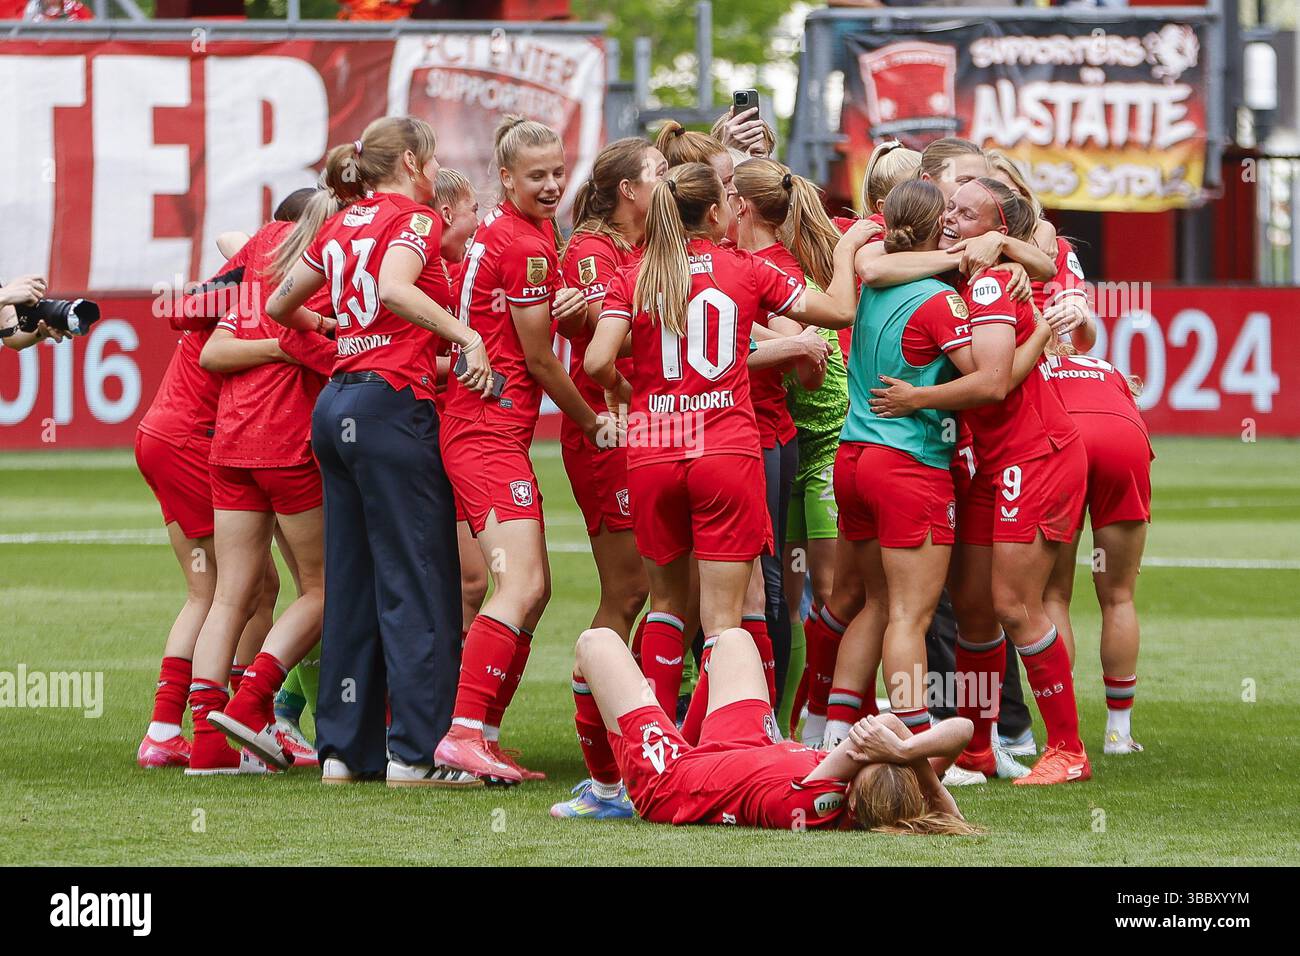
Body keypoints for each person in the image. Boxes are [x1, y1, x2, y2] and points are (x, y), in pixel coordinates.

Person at [582, 162, 869, 746]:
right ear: (716, 213)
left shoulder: (636, 274)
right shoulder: (746, 269)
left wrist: (636, 395)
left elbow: (593, 363)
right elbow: (839, 313)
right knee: (730, 613)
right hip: (725, 443)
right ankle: (733, 740)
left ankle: (655, 746)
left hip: (656, 446)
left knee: (665, 603)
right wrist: (847, 251)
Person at [267, 115, 492, 787]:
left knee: (353, 583)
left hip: (336, 404)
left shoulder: (338, 220)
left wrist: (336, 329)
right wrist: (466, 338)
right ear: (416, 162)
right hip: (392, 404)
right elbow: (395, 287)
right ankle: (415, 752)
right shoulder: (414, 219)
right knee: (419, 580)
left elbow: (282, 305)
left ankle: (343, 750)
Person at [864, 178, 1089, 786]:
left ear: (995, 228)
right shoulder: (955, 276)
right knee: (972, 610)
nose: (952, 220)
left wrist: (918, 398)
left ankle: (1067, 748)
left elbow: (992, 386)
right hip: (984, 459)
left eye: (967, 214)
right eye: (950, 210)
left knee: (1017, 605)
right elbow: (869, 263)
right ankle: (978, 746)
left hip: (1033, 454)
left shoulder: (988, 280)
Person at [434, 115, 603, 785]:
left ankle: (482, 736)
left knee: (528, 589)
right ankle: (463, 733)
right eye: (537, 176)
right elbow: (538, 358)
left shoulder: (521, 233)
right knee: (521, 584)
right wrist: (594, 421)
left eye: (559, 172)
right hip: (484, 435)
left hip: (485, 431)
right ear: (506, 178)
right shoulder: (526, 245)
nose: (553, 185)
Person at [133, 220, 302, 768]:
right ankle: (203, 727)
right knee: (228, 590)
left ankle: (197, 727)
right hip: (191, 440)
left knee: (234, 588)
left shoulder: (242, 283)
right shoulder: (271, 293)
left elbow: (232, 242)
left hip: (165, 433)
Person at [552, 625, 980, 834]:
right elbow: (963, 728)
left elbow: (887, 722)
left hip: (674, 782)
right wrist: (924, 777)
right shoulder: (868, 790)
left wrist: (903, 751)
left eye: (864, 758)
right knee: (732, 640)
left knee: (596, 644)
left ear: (848, 792)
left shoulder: (822, 803)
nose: (866, 745)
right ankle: (681, 735)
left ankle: (607, 795)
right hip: (746, 748)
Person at [183, 209, 335, 775]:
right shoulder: (333, 261)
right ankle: (253, 705)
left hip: (232, 441)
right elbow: (347, 358)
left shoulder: (266, 250)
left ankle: (207, 742)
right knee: (324, 589)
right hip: (288, 446)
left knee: (230, 596)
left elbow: (215, 348)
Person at [558, 137, 666, 642]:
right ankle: (594, 717)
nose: (668, 185)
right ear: (628, 188)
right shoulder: (591, 247)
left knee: (670, 583)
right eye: (659, 174)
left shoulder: (653, 242)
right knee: (629, 591)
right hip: (607, 429)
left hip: (658, 421)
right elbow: (610, 332)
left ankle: (655, 701)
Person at [1042, 351, 1152, 755]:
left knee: (1053, 596)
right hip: (1125, 439)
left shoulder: (1033, 362)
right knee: (1119, 596)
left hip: (1066, 440)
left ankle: (1063, 736)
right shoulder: (1107, 367)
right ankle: (1118, 735)